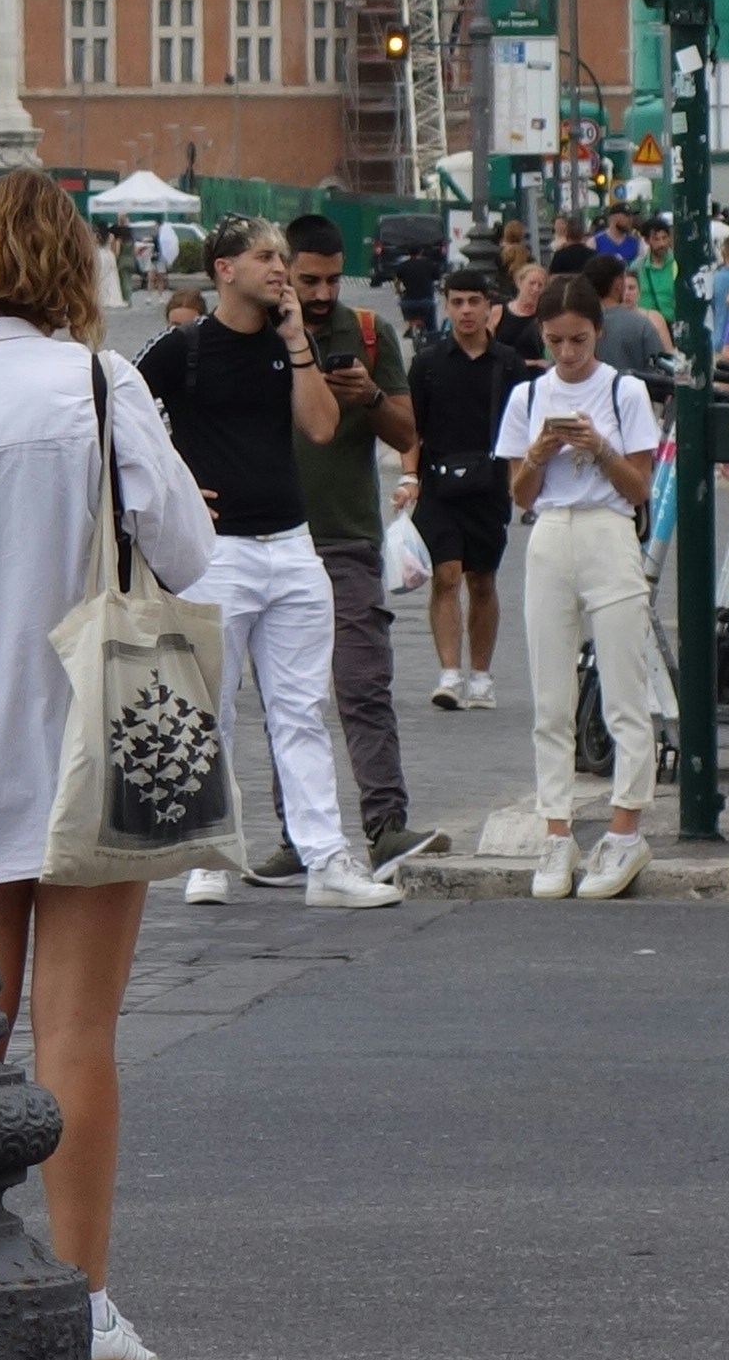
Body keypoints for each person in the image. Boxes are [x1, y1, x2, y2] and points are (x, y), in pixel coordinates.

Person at [0, 169, 217, 1360]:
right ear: (70, 271)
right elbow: (191, 553)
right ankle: (84, 1299)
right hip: (96, 735)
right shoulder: (100, 385)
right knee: (78, 1032)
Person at [134, 217, 403, 912]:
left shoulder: (292, 345)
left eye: (282, 256)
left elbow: (318, 426)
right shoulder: (182, 348)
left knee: (301, 710)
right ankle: (210, 855)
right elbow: (120, 420)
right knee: (209, 711)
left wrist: (296, 343)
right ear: (224, 268)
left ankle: (326, 861)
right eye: (265, 257)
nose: (280, 268)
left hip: (292, 548)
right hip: (216, 557)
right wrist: (171, 485)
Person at [502, 274, 666, 898]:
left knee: (625, 688)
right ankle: (556, 833)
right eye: (554, 341)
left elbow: (640, 488)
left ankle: (625, 831)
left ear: (598, 333)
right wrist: (540, 453)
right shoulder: (527, 397)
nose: (567, 354)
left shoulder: (624, 391)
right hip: (549, 534)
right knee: (550, 693)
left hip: (609, 530)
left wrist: (598, 447)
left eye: (578, 340)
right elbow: (519, 495)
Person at [279, 215, 427, 870]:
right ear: (283, 270)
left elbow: (405, 433)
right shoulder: (259, 332)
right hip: (275, 538)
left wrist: (368, 396)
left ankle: (386, 823)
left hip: (347, 539)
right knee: (290, 699)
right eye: (308, 279)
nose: (320, 293)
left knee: (363, 686)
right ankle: (296, 834)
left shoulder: (368, 333)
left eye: (333, 280)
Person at [406, 266, 523, 711]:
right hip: (437, 483)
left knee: (483, 580)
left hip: (489, 485)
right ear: (446, 305)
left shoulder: (508, 363)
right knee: (446, 574)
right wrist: (409, 479)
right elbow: (411, 430)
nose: (466, 311)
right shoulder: (428, 363)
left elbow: (520, 428)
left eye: (474, 301)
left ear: (490, 305)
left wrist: (519, 484)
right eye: (457, 302)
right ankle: (450, 673)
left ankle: (482, 675)